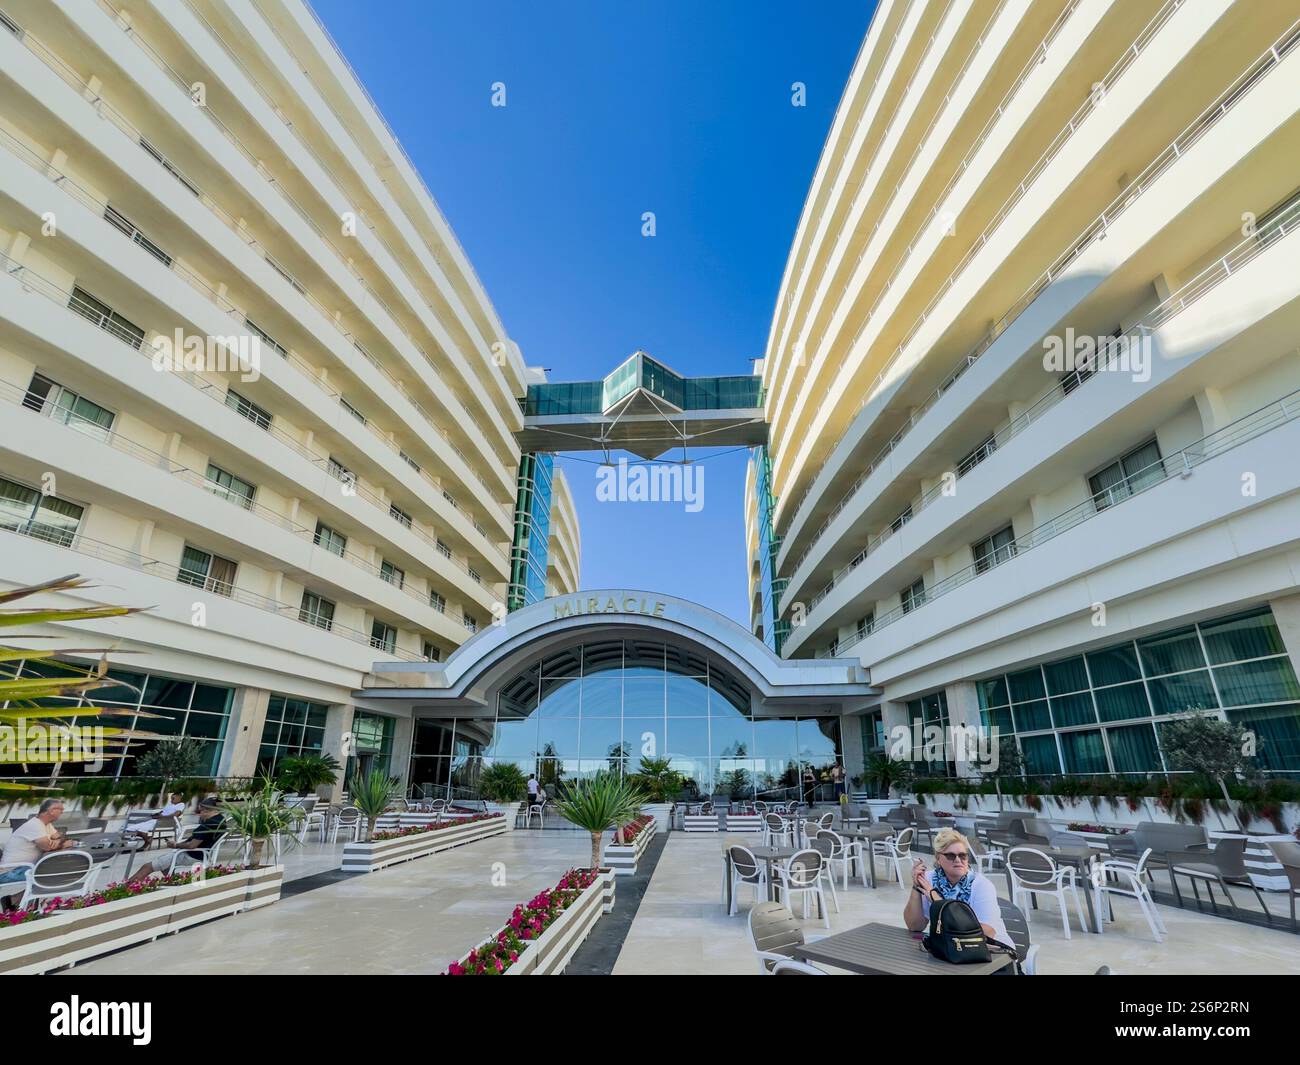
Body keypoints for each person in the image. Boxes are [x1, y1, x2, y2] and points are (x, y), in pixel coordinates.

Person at [903, 827, 1009, 945]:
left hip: (991, 950)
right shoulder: (930, 880)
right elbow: (914, 926)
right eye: (951, 856)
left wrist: (937, 900)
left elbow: (987, 933)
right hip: (950, 949)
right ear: (938, 858)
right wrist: (916, 886)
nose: (958, 860)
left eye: (963, 855)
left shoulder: (981, 885)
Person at [128, 797, 226, 881]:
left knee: (147, 867)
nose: (199, 814)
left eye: (199, 811)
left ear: (207, 810)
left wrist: (175, 845)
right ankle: (175, 884)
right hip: (204, 855)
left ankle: (125, 890)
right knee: (166, 867)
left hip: (192, 855)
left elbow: (192, 845)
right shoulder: (221, 820)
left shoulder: (207, 825)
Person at [0, 799, 76, 896]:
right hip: (10, 872)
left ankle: (16, 900)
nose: (62, 811)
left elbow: (60, 838)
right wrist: (62, 844)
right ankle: (21, 900)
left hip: (25, 868)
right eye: (60, 809)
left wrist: (58, 841)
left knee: (53, 870)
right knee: (52, 873)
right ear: (51, 810)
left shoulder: (47, 825)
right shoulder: (34, 825)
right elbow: (47, 847)